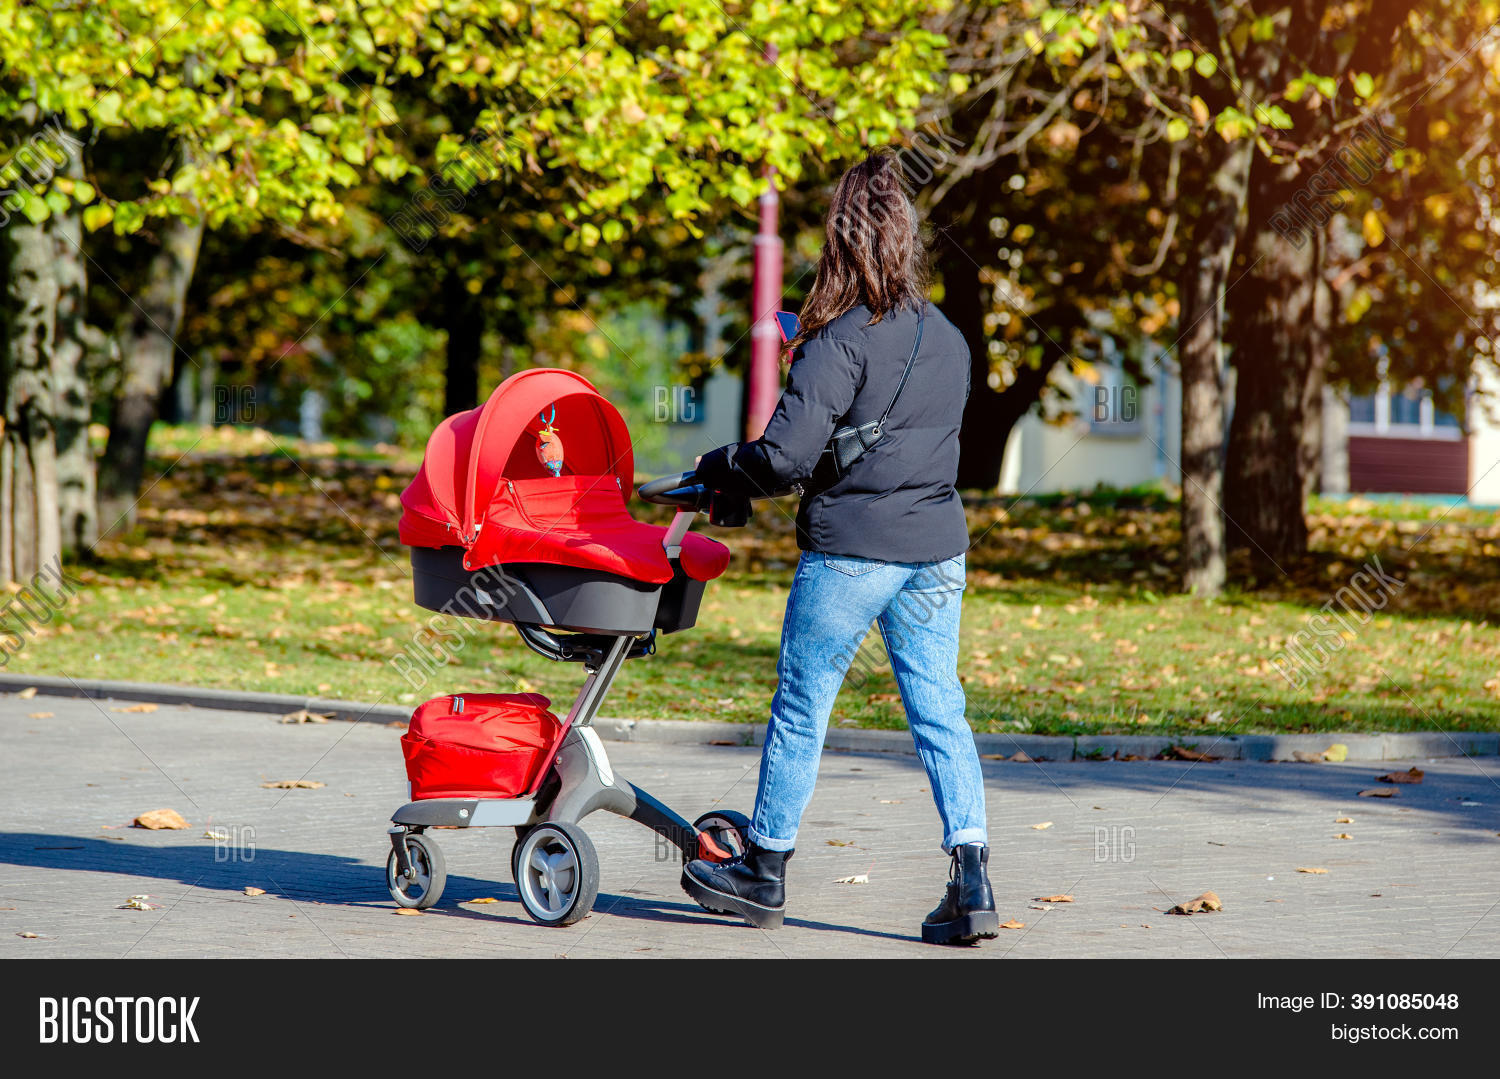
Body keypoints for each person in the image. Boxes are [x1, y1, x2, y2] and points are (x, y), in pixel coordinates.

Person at [681, 152, 997, 945]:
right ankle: (973, 878)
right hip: (936, 551)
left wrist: (717, 466)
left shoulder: (838, 339)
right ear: (906, 239)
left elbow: (784, 459)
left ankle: (765, 870)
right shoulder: (950, 338)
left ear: (841, 240)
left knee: (801, 708)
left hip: (853, 553)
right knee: (940, 712)